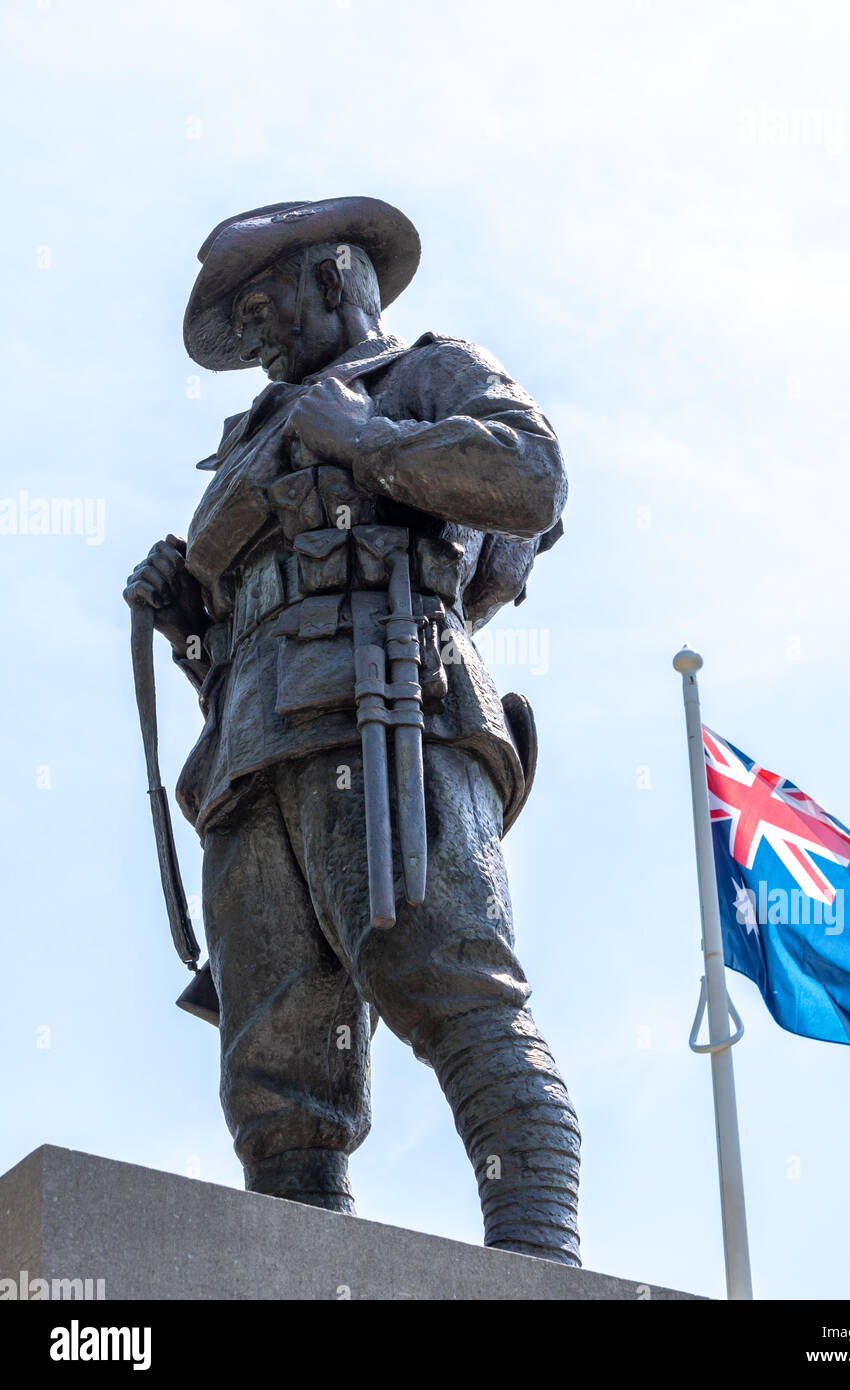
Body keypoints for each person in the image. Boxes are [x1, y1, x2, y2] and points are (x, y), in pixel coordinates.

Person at [123, 197, 581, 1265]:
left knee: (454, 990)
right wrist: (192, 627)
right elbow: (236, 651)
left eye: (266, 303)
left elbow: (530, 477)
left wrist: (370, 440)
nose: (257, 336)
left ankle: (542, 1259)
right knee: (276, 1077)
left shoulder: (428, 372)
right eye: (240, 322)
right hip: (252, 755)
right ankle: (304, 1276)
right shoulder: (242, 449)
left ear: (335, 276)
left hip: (394, 710)